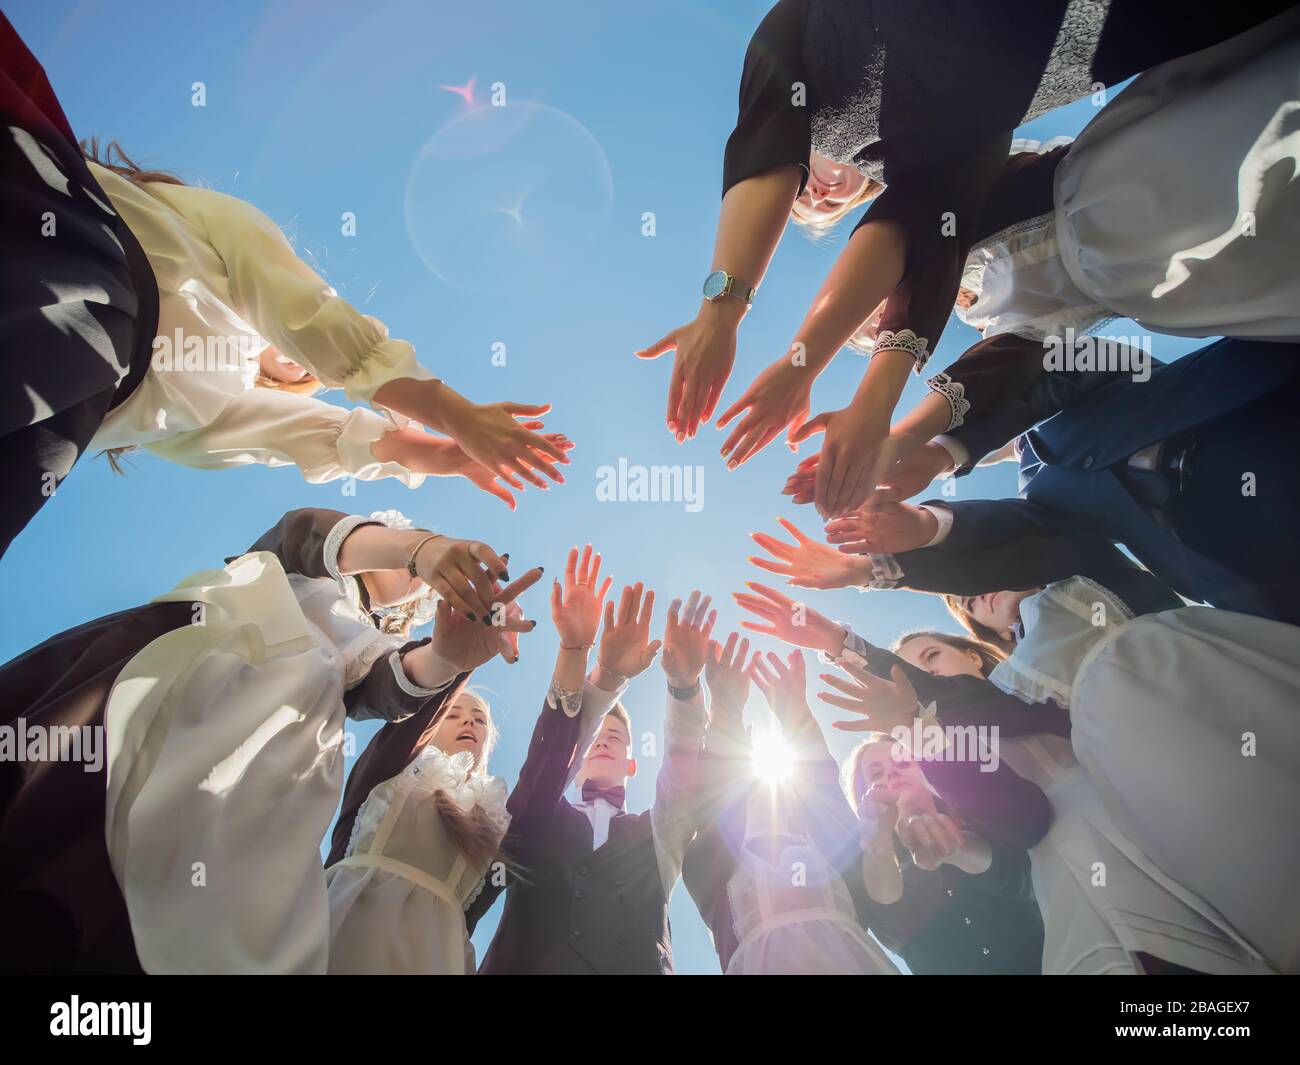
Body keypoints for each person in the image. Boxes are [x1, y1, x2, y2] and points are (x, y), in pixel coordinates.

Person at [634, 0, 1292, 517]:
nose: (812, 192)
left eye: (802, 189)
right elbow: (918, 244)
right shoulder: (951, 161)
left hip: (1129, 163)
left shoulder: (812, 40)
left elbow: (769, 132)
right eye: (818, 209)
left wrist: (726, 311)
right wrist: (880, 413)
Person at [737, 586, 1281, 973]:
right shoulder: (947, 757)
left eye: (931, 658)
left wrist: (847, 648)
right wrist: (914, 727)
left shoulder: (1034, 688)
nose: (921, 677)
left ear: (974, 654)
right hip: (1104, 924)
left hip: (1189, 859)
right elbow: (1021, 822)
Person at [767, 333, 1300, 625]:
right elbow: (1034, 547)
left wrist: (929, 448)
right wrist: (912, 537)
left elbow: (1041, 359)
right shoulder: (1040, 493)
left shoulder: (1074, 396)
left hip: (1261, 406)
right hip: (1259, 559)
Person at [477, 568, 710, 974]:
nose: (603, 742)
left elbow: (684, 771)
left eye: (616, 739)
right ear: (580, 754)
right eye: (597, 736)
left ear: (632, 765)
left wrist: (685, 688)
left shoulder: (658, 836)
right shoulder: (535, 816)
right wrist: (604, 672)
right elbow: (552, 756)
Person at [680, 636, 899, 974]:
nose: (768, 800)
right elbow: (717, 802)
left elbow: (821, 785)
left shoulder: (833, 848)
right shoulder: (711, 869)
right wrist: (726, 708)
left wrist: (795, 711)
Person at [324, 689, 509, 974]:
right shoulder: (391, 776)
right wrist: (464, 657)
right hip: (345, 938)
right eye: (454, 714)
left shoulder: (497, 819)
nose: (468, 722)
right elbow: (425, 700)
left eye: (480, 719)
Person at [846, 711, 1045, 975]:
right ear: (863, 799)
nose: (892, 773)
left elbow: (1023, 879)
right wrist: (878, 841)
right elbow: (889, 921)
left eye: (903, 762)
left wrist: (955, 848)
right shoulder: (874, 867)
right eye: (876, 775)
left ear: (926, 768)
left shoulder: (980, 817)